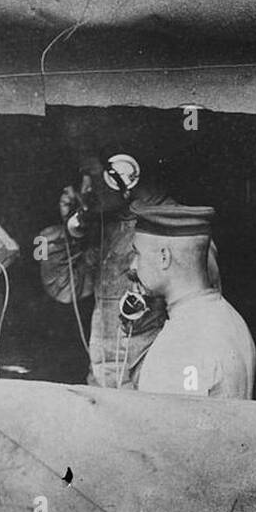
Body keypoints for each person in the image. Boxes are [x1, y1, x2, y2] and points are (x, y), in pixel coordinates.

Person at [34, 155, 219, 388]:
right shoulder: (110, 227)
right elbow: (64, 288)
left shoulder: (180, 230)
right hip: (104, 387)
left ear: (122, 175)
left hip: (150, 391)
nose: (84, 189)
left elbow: (199, 329)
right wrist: (70, 231)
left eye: (90, 177)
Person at [128, 204, 256, 400]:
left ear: (164, 257)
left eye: (137, 254)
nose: (133, 266)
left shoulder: (181, 345)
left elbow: (169, 428)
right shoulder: (231, 317)